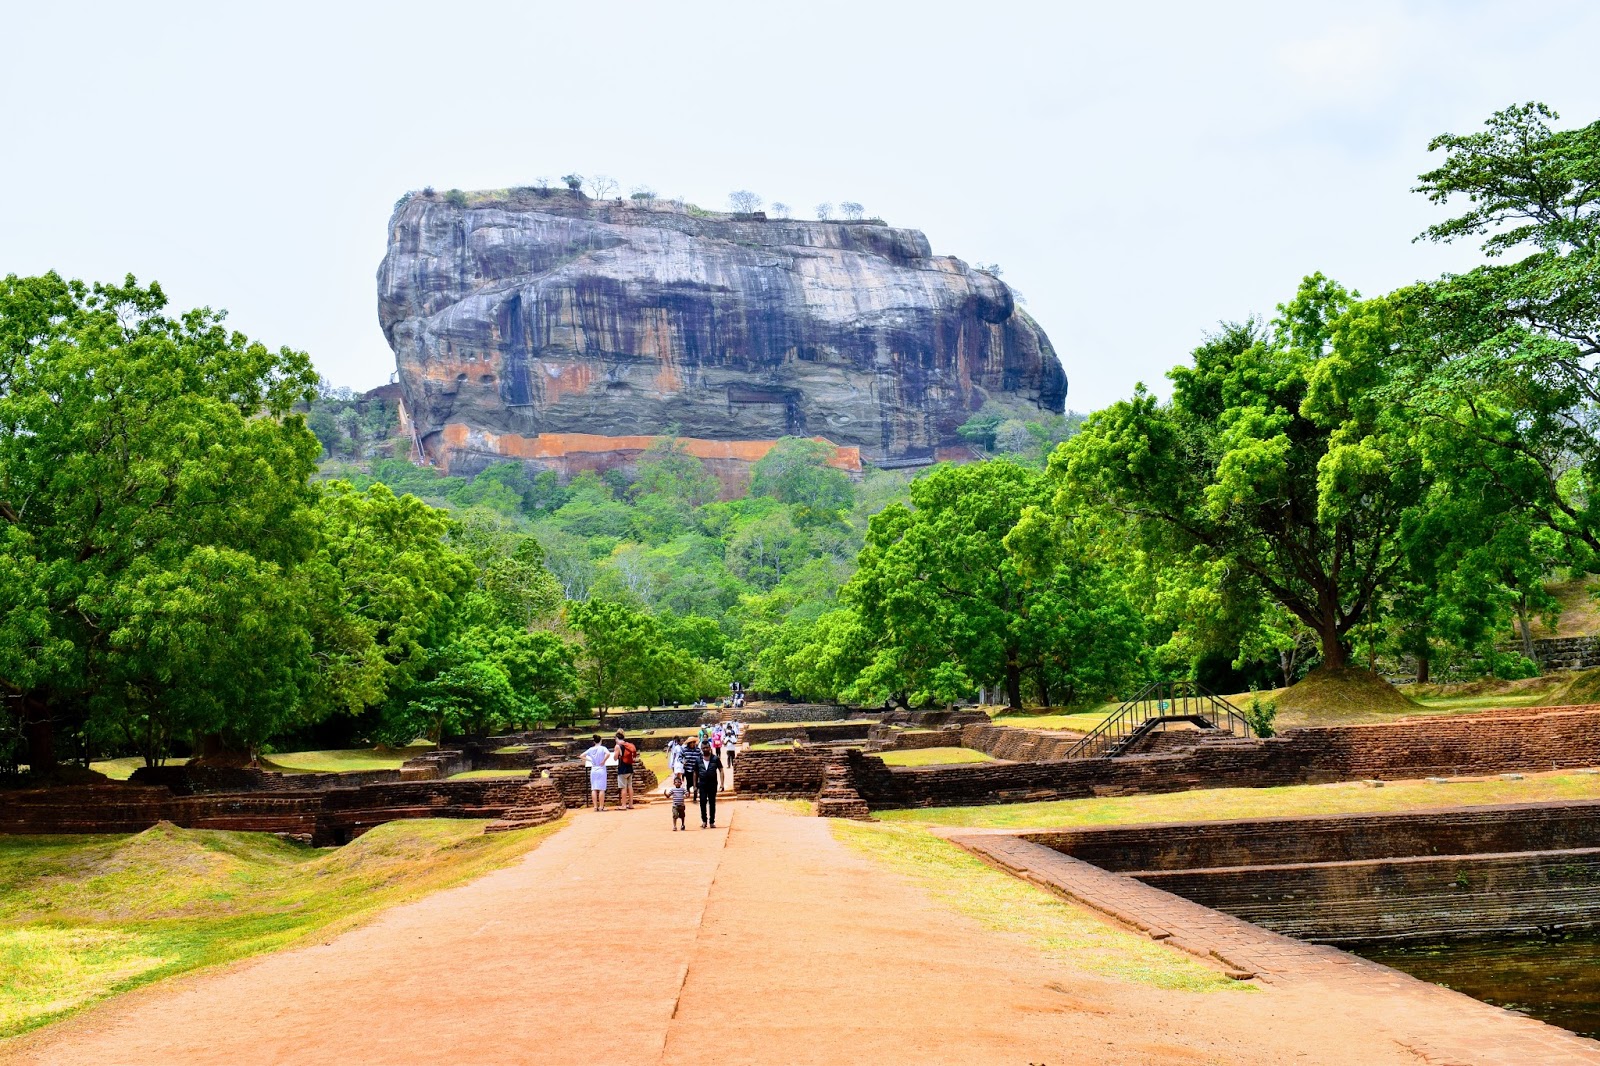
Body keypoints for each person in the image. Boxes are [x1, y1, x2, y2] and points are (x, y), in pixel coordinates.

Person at [697, 739, 722, 828]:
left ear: (710, 748)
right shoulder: (698, 760)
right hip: (702, 784)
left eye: (707, 747)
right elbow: (695, 773)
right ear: (701, 749)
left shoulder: (715, 759)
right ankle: (704, 821)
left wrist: (722, 784)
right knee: (702, 802)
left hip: (712, 784)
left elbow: (721, 770)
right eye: (703, 748)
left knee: (712, 802)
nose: (705, 749)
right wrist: (695, 785)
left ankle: (711, 821)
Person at [582, 734, 610, 812]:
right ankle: (601, 807)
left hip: (594, 769)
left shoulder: (591, 749)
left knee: (594, 788)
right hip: (601, 769)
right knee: (601, 789)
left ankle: (595, 807)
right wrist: (604, 760)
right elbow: (608, 754)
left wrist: (589, 760)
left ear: (594, 741)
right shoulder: (602, 748)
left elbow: (581, 755)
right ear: (600, 740)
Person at [614, 730, 638, 810]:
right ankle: (631, 804)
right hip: (629, 768)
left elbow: (615, 758)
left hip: (622, 768)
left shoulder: (618, 746)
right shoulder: (628, 745)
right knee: (630, 786)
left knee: (623, 788)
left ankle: (623, 805)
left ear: (617, 738)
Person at [680, 737, 703, 801]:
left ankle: (696, 791)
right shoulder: (684, 750)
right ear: (689, 743)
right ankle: (688, 791)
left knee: (696, 781)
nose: (693, 744)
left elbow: (701, 757)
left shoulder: (698, 750)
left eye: (694, 742)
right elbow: (680, 757)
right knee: (689, 781)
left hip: (696, 769)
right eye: (691, 743)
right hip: (688, 768)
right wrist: (682, 761)